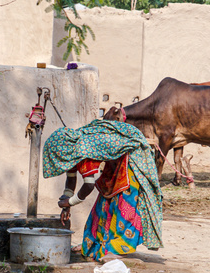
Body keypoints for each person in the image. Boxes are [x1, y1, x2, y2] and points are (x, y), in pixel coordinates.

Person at [42, 107, 163, 262]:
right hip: (116, 159)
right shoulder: (71, 152)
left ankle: (118, 248)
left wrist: (71, 201)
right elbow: (71, 179)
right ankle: (91, 243)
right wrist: (66, 204)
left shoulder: (84, 149)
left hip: (132, 156)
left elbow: (88, 186)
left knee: (125, 204)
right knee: (103, 204)